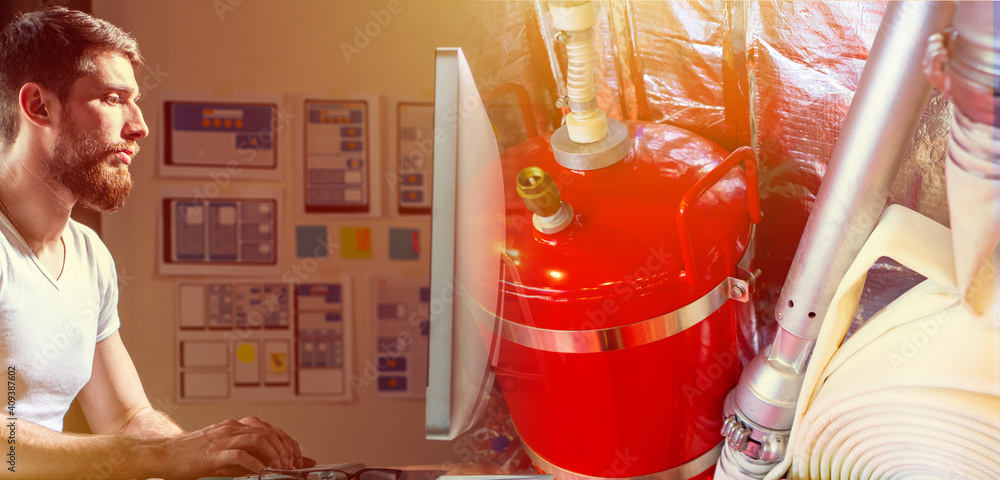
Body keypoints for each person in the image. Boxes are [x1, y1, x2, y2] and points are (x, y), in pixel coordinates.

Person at [0, 7, 315, 479]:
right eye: (112, 98)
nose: (139, 125)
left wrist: (213, 455)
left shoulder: (88, 255)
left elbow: (127, 418)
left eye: (136, 100)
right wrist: (164, 457)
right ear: (39, 106)